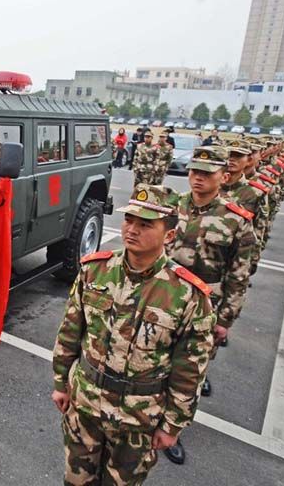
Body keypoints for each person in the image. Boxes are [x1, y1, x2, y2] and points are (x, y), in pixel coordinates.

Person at [52, 184, 214, 485]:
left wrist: (172, 424)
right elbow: (71, 330)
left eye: (145, 224)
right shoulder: (94, 271)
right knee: (75, 481)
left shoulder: (187, 295)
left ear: (169, 235)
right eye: (129, 220)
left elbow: (189, 370)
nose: (132, 229)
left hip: (139, 420)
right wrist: (61, 382)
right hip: (86, 403)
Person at [167, 146, 255, 464]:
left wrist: (225, 320)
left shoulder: (235, 220)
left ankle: (173, 432)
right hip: (164, 302)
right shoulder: (171, 207)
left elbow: (239, 275)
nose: (198, 177)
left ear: (224, 175)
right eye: (194, 171)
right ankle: (150, 421)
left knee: (190, 373)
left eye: (207, 172)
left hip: (206, 307)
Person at [221, 140, 270, 274]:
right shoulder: (212, 186)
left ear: (248, 160)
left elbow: (259, 229)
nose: (231, 160)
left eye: (238, 156)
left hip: (237, 258)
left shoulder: (255, 193)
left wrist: (253, 261)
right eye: (229, 155)